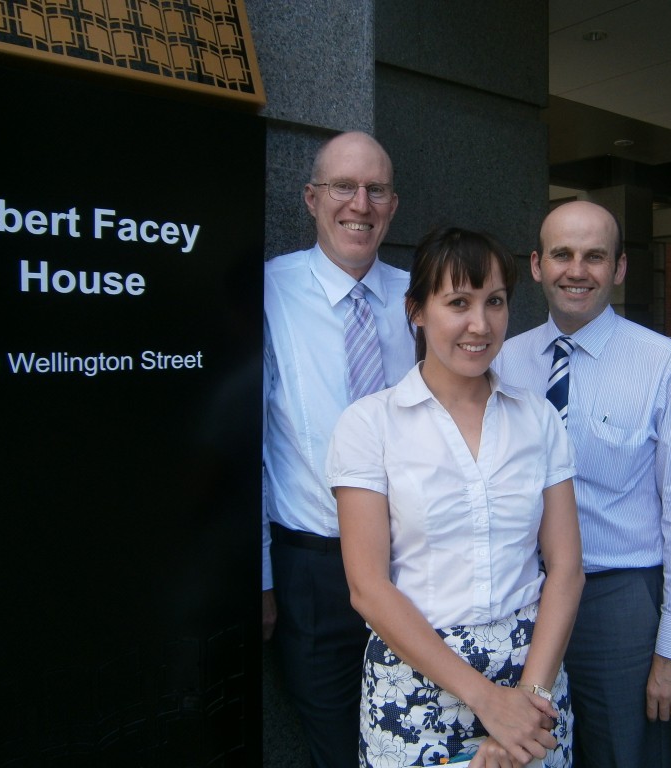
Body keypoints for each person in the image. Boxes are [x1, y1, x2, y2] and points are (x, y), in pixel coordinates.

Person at [327, 227, 585, 767]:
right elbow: (367, 587)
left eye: (495, 302)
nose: (480, 324)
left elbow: (565, 568)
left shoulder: (537, 416)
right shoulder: (369, 424)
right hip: (417, 679)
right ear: (416, 311)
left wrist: (529, 703)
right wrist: (489, 702)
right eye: (458, 302)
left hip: (531, 671)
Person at [493, 200, 671, 768]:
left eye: (595, 256)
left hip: (620, 599)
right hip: (521, 596)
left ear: (620, 268)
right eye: (562, 254)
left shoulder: (665, 364)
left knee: (623, 755)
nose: (576, 270)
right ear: (537, 265)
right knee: (530, 753)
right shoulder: (502, 361)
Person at [262, 131, 416, 768]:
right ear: (311, 198)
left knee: (413, 741)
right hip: (313, 574)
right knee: (334, 750)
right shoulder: (265, 293)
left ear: (393, 204)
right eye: (343, 187)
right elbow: (240, 447)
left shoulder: (422, 299)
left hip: (416, 568)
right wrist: (262, 579)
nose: (361, 203)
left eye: (376, 189)